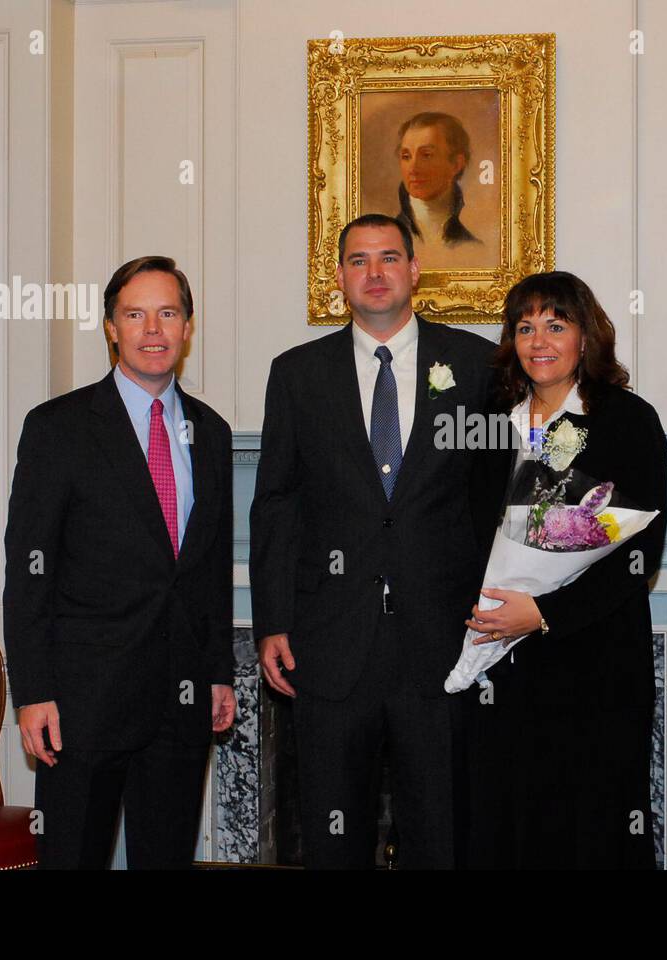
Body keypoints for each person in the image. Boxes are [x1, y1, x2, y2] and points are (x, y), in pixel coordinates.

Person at [249, 213, 497, 869]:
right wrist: (271, 621)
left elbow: (493, 500)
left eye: (390, 257)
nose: (376, 272)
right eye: (359, 260)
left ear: (416, 270)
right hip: (329, 646)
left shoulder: (473, 364)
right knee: (332, 837)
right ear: (339, 278)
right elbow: (276, 503)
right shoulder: (298, 374)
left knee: (439, 834)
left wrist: (495, 610)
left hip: (442, 643)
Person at [3, 255, 235, 869]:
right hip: (80, 707)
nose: (153, 329)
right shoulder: (59, 428)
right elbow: (30, 571)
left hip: (180, 706)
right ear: (110, 327)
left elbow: (207, 572)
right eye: (135, 314)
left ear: (188, 326)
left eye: (168, 313)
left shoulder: (212, 433)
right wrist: (33, 692)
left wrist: (217, 673)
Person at [463, 271, 667, 869]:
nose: (538, 340)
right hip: (504, 662)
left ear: (586, 335)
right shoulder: (490, 420)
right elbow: (471, 533)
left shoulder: (626, 420)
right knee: (509, 828)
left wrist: (544, 613)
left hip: (594, 663)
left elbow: (640, 555)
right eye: (525, 327)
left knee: (593, 829)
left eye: (556, 324)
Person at [394, 112, 482, 263]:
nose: (413, 168)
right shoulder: (391, 237)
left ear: (456, 164)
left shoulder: (473, 245)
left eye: (426, 155)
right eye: (406, 156)